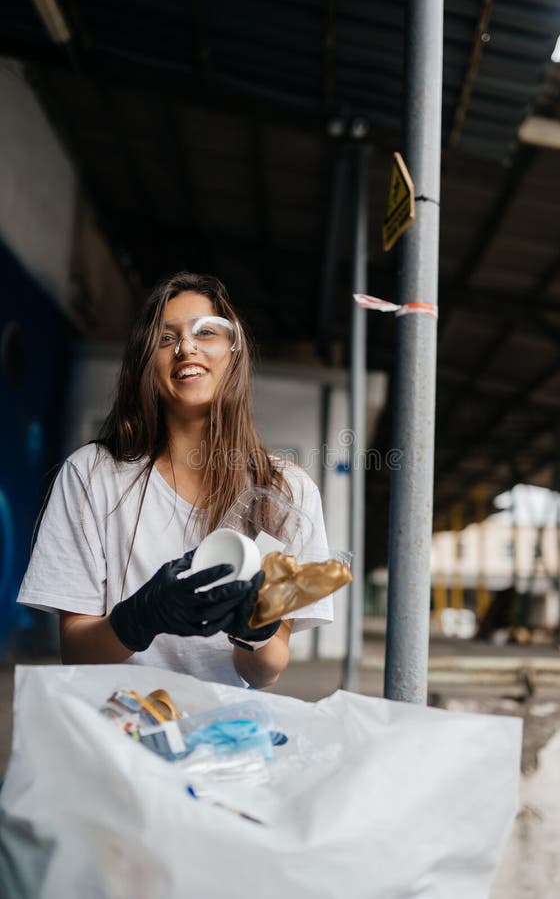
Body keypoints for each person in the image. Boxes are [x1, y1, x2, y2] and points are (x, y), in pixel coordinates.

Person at [17, 272, 333, 688]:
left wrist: (257, 630)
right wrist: (140, 617)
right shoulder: (91, 474)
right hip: (118, 728)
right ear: (145, 363)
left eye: (207, 332)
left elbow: (264, 671)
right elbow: (76, 653)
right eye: (166, 339)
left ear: (234, 353)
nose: (186, 347)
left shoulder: (285, 491)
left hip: (224, 733)